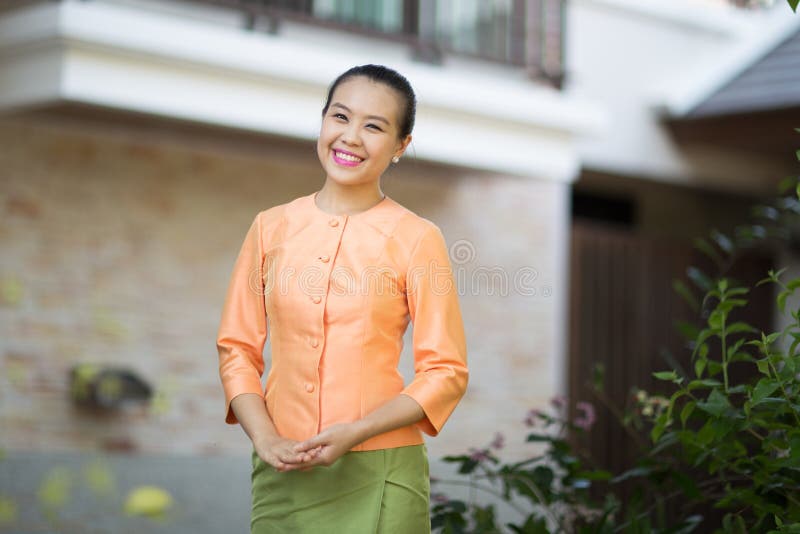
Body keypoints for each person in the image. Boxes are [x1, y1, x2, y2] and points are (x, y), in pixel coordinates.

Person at [216, 64, 469, 534]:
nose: (350, 137)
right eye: (340, 117)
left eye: (374, 126)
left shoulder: (418, 238)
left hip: (382, 470)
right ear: (323, 121)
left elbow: (446, 372)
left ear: (400, 147)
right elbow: (237, 351)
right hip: (283, 470)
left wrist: (356, 432)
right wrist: (266, 438)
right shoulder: (270, 228)